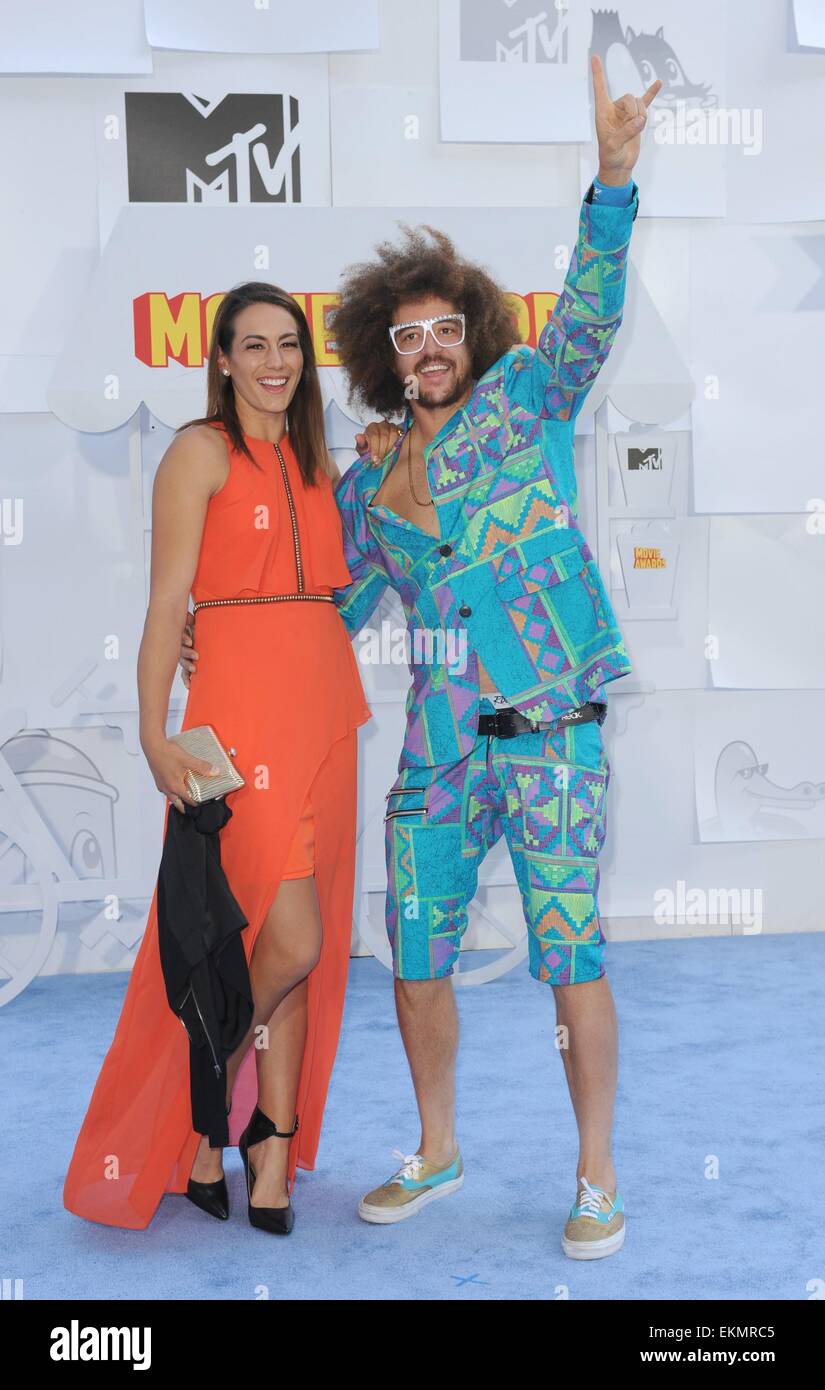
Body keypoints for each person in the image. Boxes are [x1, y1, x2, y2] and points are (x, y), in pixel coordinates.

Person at [181, 56, 659, 1258]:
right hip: (438, 758)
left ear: (474, 336)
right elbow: (320, 608)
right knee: (417, 957)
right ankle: (437, 1147)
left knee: (572, 955)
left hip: (552, 734)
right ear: (384, 355)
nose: (431, 348)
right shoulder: (367, 490)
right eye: (410, 337)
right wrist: (221, 625)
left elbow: (593, 309)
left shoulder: (528, 401)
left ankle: (596, 1175)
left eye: (448, 329)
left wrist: (610, 182)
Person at [63, 282, 371, 1234]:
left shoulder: (323, 460)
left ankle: (266, 1155)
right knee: (278, 939)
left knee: (301, 947)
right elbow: (166, 604)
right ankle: (202, 1116)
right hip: (238, 725)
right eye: (254, 346)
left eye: (289, 346)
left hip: (325, 712)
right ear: (224, 360)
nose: (275, 363)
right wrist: (153, 732)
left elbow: (337, 590)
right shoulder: (199, 452)